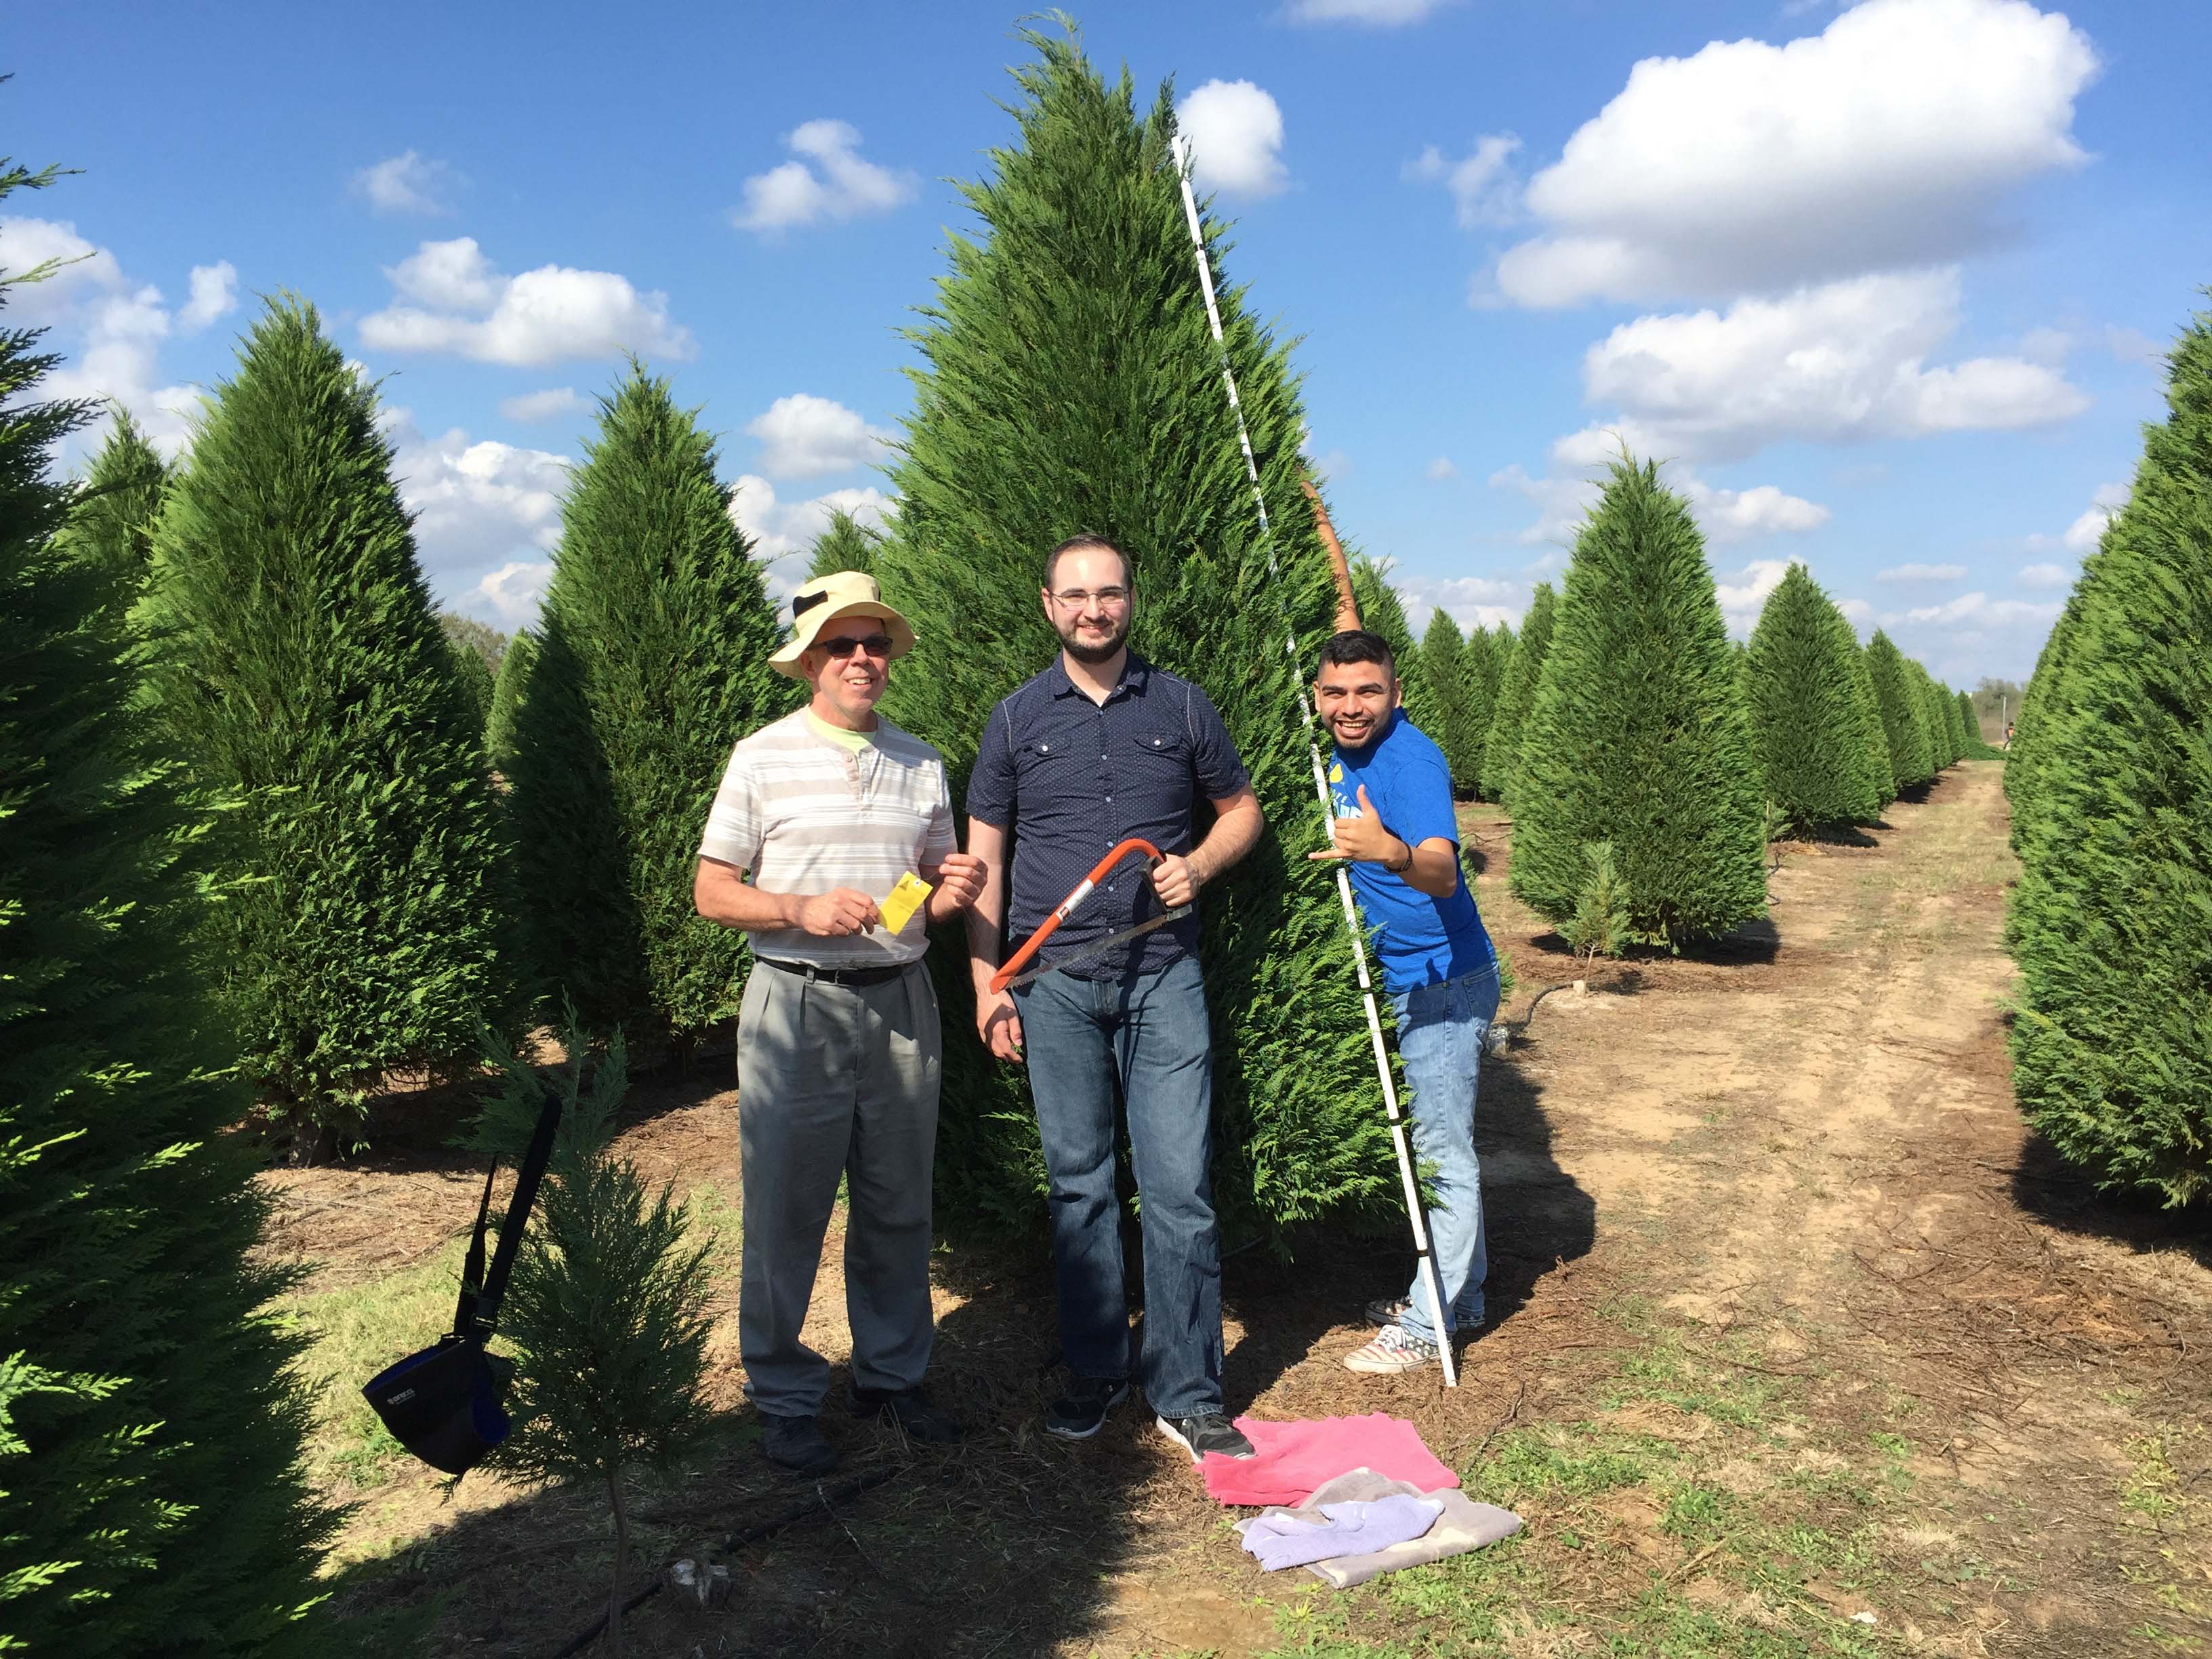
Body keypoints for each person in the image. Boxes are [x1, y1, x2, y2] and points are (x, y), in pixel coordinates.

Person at [964, 535, 1265, 1460]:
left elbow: (1243, 810)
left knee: (1179, 1189)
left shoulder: (1181, 705)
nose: (1094, 609)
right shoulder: (1014, 720)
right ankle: (1096, 1372)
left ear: (1131, 601)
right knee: (1079, 1188)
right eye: (1076, 596)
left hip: (1163, 976)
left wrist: (1202, 866)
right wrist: (988, 983)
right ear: (1049, 605)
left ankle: (1188, 1389)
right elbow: (984, 863)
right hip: (1051, 989)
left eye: (1110, 594)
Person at [693, 571, 986, 1475]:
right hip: (797, 1002)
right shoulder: (762, 756)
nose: (862, 659)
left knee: (899, 1204)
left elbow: (926, 885)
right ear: (809, 662)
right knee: (787, 1209)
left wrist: (948, 894)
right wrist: (797, 908)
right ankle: (783, 1396)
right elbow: (709, 891)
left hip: (901, 1004)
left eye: (875, 645)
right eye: (841, 645)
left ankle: (890, 1378)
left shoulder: (922, 762)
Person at [1306, 629, 1502, 1374]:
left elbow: (1444, 872)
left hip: (1442, 980)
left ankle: (1428, 1324)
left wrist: (1387, 852)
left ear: (1397, 693)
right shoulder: (1342, 749)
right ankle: (1466, 1294)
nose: (1352, 707)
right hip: (1405, 973)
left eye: (1369, 691)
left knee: (1442, 1153)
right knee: (1441, 1144)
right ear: (1318, 696)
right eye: (1336, 693)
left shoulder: (1411, 759)